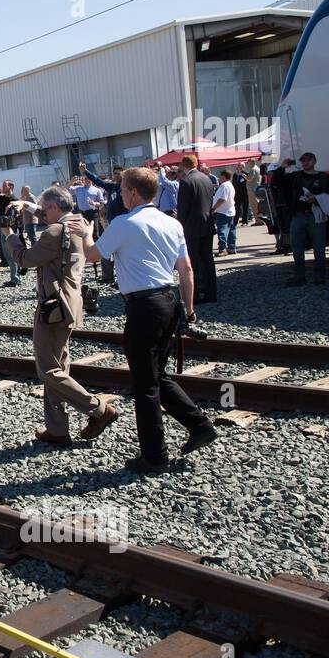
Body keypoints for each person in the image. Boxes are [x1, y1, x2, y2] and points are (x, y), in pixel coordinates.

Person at [67, 168, 217, 473]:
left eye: (123, 189)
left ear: (134, 192)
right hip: (169, 301)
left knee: (145, 385)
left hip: (143, 307)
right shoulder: (171, 222)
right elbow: (186, 271)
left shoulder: (124, 223)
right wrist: (188, 311)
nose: (120, 194)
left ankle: (154, 456)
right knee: (157, 375)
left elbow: (93, 254)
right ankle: (199, 425)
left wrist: (86, 232)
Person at [1, 187, 118, 445]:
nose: (41, 213)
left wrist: (9, 235)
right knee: (59, 366)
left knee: (48, 369)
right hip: (71, 303)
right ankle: (57, 429)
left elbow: (25, 259)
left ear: (55, 208)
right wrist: (27, 206)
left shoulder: (55, 232)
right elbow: (51, 220)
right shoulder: (78, 225)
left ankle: (99, 410)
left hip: (53, 307)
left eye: (44, 209)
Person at [285, 151, 329, 287]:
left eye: (308, 160)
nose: (305, 162)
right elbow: (277, 181)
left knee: (319, 248)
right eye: (303, 160)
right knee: (297, 248)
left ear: (314, 161)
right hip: (298, 215)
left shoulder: (324, 177)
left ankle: (320, 277)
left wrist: (317, 198)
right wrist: (283, 166)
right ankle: (299, 277)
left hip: (316, 216)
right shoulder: (295, 176)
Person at [176, 154, 217, 303]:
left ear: (183, 165)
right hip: (207, 224)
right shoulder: (206, 178)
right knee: (208, 260)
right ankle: (211, 293)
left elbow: (183, 208)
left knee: (192, 262)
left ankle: (194, 296)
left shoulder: (186, 181)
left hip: (192, 227)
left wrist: (179, 225)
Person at [212, 169, 237, 256]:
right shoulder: (229, 185)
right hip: (229, 210)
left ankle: (222, 249)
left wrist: (214, 208)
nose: (219, 178)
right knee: (231, 230)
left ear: (223, 176)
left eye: (220, 176)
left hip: (223, 211)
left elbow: (222, 199)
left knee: (222, 230)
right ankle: (231, 247)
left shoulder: (224, 186)